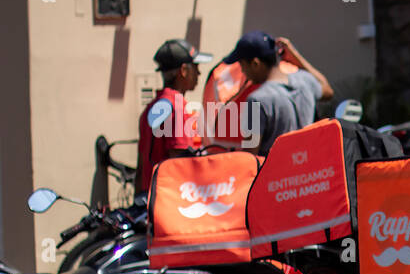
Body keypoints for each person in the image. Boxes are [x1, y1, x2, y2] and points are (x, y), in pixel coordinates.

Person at [221, 31, 334, 155]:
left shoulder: (257, 100)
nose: (242, 71)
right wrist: (296, 57)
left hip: (274, 173)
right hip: (305, 171)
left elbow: (249, 156)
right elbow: (327, 90)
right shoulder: (304, 81)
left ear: (255, 64)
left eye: (242, 65)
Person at [137, 39, 211, 196]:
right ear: (183, 70)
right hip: (171, 199)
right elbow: (180, 164)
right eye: (196, 67)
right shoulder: (178, 108)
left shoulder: (151, 108)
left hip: (150, 199)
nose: (199, 73)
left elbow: (141, 166)